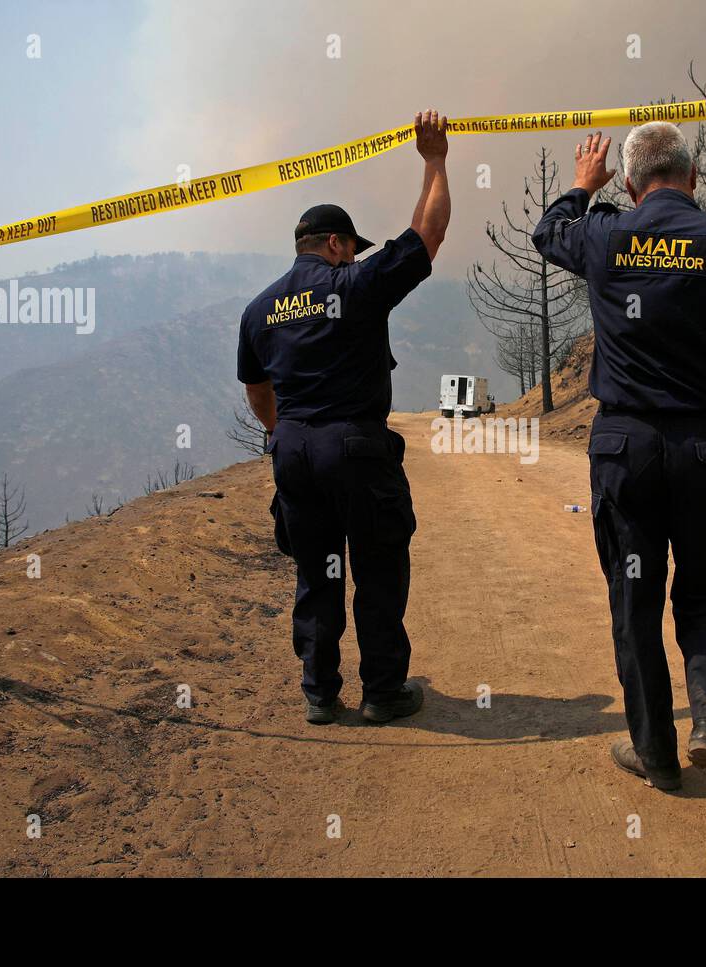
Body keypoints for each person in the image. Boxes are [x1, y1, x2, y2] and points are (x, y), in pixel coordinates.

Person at [532, 121, 706, 798]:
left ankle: (656, 751)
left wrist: (580, 185)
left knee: (635, 598)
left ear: (628, 184)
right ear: (694, 176)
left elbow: (548, 232)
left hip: (626, 452)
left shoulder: (604, 235)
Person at [236, 109, 450, 725]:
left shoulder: (259, 309)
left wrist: (285, 434)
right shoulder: (353, 284)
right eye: (352, 245)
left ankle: (319, 693)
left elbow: (257, 390)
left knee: (316, 571)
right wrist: (434, 161)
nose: (354, 254)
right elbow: (427, 236)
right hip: (354, 447)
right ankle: (382, 693)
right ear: (336, 245)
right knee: (378, 566)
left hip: (295, 453)